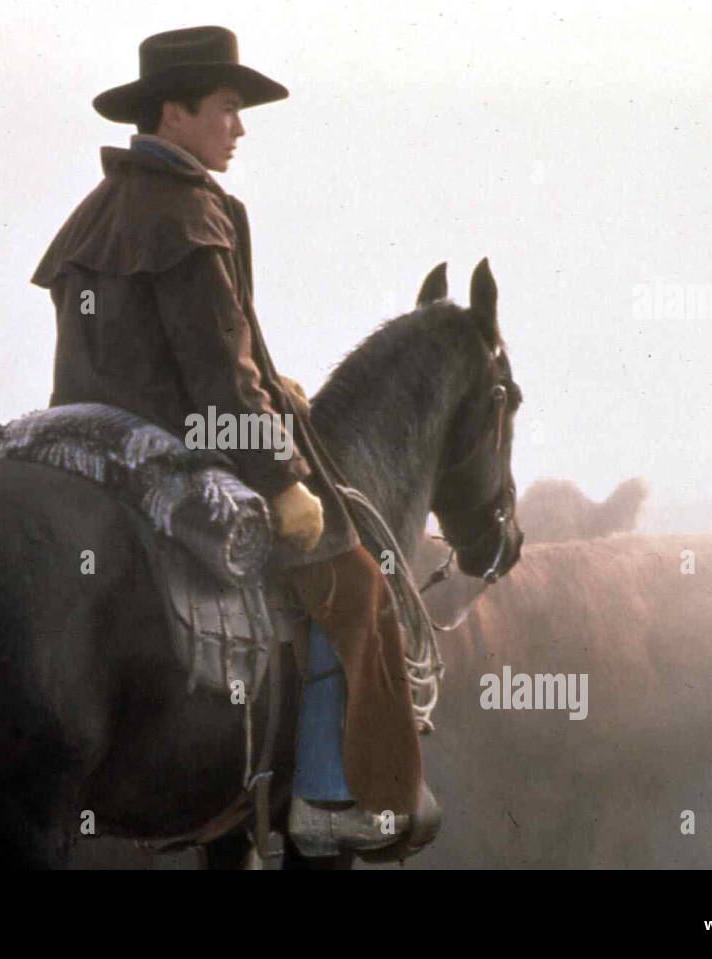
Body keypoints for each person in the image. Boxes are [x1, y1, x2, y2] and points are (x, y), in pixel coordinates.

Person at [31, 25, 435, 856]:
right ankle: (326, 795)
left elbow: (128, 362)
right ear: (174, 112)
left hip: (82, 439)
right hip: (179, 452)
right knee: (354, 581)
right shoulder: (186, 212)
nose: (239, 129)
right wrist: (283, 475)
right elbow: (219, 371)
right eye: (226, 109)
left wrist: (268, 387)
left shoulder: (95, 214)